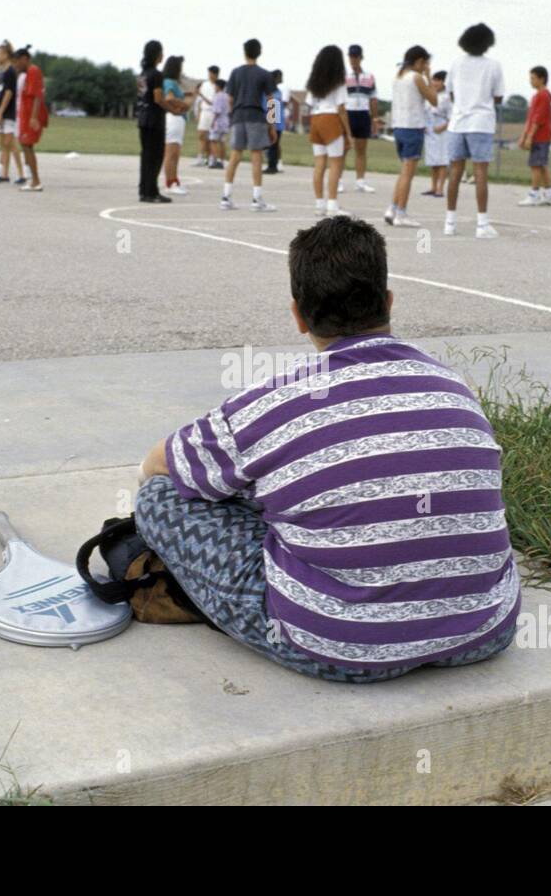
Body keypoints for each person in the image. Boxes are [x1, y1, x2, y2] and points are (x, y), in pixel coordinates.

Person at [134, 215, 521, 683]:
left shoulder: (275, 402)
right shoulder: (452, 387)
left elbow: (161, 465)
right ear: (389, 301)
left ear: (298, 315)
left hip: (341, 647)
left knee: (158, 498)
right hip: (484, 631)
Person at [444, 23, 505, 239]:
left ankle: (450, 222)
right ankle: (482, 224)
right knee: (480, 173)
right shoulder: (493, 66)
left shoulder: (456, 63)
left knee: (455, 172)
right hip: (481, 122)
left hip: (458, 122)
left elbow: (450, 92)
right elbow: (498, 97)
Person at [384, 46, 440, 228]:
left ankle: (392, 208)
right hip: (412, 128)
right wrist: (429, 77)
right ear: (419, 61)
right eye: (425, 63)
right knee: (408, 174)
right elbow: (434, 100)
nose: (426, 67)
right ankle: (401, 213)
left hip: (398, 127)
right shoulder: (416, 77)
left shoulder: (398, 76)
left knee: (404, 172)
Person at [220, 38, 278, 212]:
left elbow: (230, 99)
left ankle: (226, 196)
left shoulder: (236, 72)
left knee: (235, 155)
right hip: (255, 116)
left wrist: (233, 116)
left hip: (238, 115)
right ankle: (256, 198)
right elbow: (271, 100)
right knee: (256, 156)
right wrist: (272, 125)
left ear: (244, 52)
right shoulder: (264, 74)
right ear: (259, 52)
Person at [304, 44, 352, 217]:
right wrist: (349, 133)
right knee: (335, 164)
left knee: (319, 164)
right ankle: (332, 204)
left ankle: (319, 204)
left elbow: (309, 103)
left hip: (316, 119)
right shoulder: (338, 82)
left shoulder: (313, 82)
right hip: (331, 119)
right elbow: (341, 109)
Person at [136, 40, 181, 203]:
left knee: (146, 156)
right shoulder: (156, 75)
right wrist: (173, 110)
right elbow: (158, 99)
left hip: (143, 118)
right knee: (155, 157)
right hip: (154, 120)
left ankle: (144, 190)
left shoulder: (142, 74)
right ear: (157, 54)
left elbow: (142, 96)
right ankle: (152, 192)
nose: (163, 55)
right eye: (161, 52)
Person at [0, 40, 26, 185]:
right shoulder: (4, 73)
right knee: (5, 145)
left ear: (6, 55)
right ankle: (4, 174)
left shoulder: (10, 72)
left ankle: (22, 174)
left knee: (11, 144)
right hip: (3, 112)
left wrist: (0, 113)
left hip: (8, 113)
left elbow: (9, 94)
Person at [517, 66, 551, 206]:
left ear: (542, 79)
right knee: (541, 165)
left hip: (541, 136)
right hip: (536, 135)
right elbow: (530, 118)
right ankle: (550, 195)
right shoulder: (536, 96)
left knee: (536, 166)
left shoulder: (544, 95)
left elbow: (538, 119)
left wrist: (530, 137)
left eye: (533, 78)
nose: (531, 81)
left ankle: (534, 195)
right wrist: (523, 135)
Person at [13, 45, 48, 192]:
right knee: (25, 145)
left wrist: (33, 117)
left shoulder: (33, 71)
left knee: (28, 146)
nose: (16, 65)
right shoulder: (26, 73)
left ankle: (36, 181)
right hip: (24, 115)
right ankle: (32, 180)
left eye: (17, 61)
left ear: (24, 59)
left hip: (30, 116)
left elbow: (37, 96)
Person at [344, 44, 378, 192]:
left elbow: (373, 98)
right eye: (351, 57)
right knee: (344, 148)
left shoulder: (369, 76)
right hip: (348, 113)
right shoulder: (344, 76)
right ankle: (338, 181)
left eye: (356, 57)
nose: (353, 60)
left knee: (361, 150)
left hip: (363, 113)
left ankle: (360, 182)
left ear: (361, 57)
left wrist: (374, 118)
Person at [162, 54, 192, 196]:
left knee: (175, 153)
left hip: (177, 120)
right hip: (174, 119)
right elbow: (169, 98)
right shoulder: (170, 82)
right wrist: (184, 105)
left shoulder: (171, 82)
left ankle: (174, 180)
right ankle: (170, 183)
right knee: (171, 153)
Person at [422, 70, 450, 197]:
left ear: (444, 82)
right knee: (433, 160)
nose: (435, 82)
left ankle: (440, 188)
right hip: (429, 129)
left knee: (442, 160)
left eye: (438, 80)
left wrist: (443, 127)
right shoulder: (429, 95)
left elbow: (453, 116)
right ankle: (433, 187)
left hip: (442, 129)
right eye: (434, 79)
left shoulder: (448, 97)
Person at [194, 65, 219, 166]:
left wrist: (201, 95)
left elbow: (213, 102)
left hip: (213, 113)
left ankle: (210, 158)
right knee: (201, 135)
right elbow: (199, 101)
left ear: (216, 74)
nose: (209, 75)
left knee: (211, 137)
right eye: (208, 73)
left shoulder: (218, 86)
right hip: (204, 112)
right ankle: (200, 157)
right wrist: (198, 113)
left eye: (211, 73)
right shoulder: (204, 84)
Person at [264, 68, 288, 174]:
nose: (281, 79)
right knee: (272, 145)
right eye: (280, 77)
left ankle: (272, 166)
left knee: (273, 145)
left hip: (276, 122)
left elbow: (272, 107)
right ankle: (273, 164)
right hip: (275, 121)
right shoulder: (274, 92)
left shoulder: (274, 92)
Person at [208, 79, 230, 169]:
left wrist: (212, 121)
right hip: (225, 121)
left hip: (218, 121)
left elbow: (217, 111)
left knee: (213, 141)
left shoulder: (217, 96)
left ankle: (215, 160)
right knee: (222, 142)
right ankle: (222, 160)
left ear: (218, 86)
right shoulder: (227, 96)